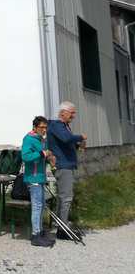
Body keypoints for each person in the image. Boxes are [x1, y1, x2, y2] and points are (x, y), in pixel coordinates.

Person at [47, 101, 86, 240]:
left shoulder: (63, 126)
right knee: (66, 198)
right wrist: (80, 137)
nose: (73, 116)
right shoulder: (57, 125)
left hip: (66, 165)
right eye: (72, 112)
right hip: (63, 166)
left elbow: (68, 142)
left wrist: (78, 145)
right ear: (63, 112)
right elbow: (66, 138)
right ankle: (63, 230)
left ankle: (61, 228)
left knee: (63, 198)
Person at [21, 116, 55, 247]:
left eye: (46, 127)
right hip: (33, 178)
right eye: (42, 127)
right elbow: (25, 156)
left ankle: (39, 232)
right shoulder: (29, 139)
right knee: (36, 206)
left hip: (40, 177)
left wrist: (49, 158)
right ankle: (35, 235)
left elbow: (42, 156)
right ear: (35, 128)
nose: (44, 130)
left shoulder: (41, 139)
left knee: (40, 206)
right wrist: (42, 154)